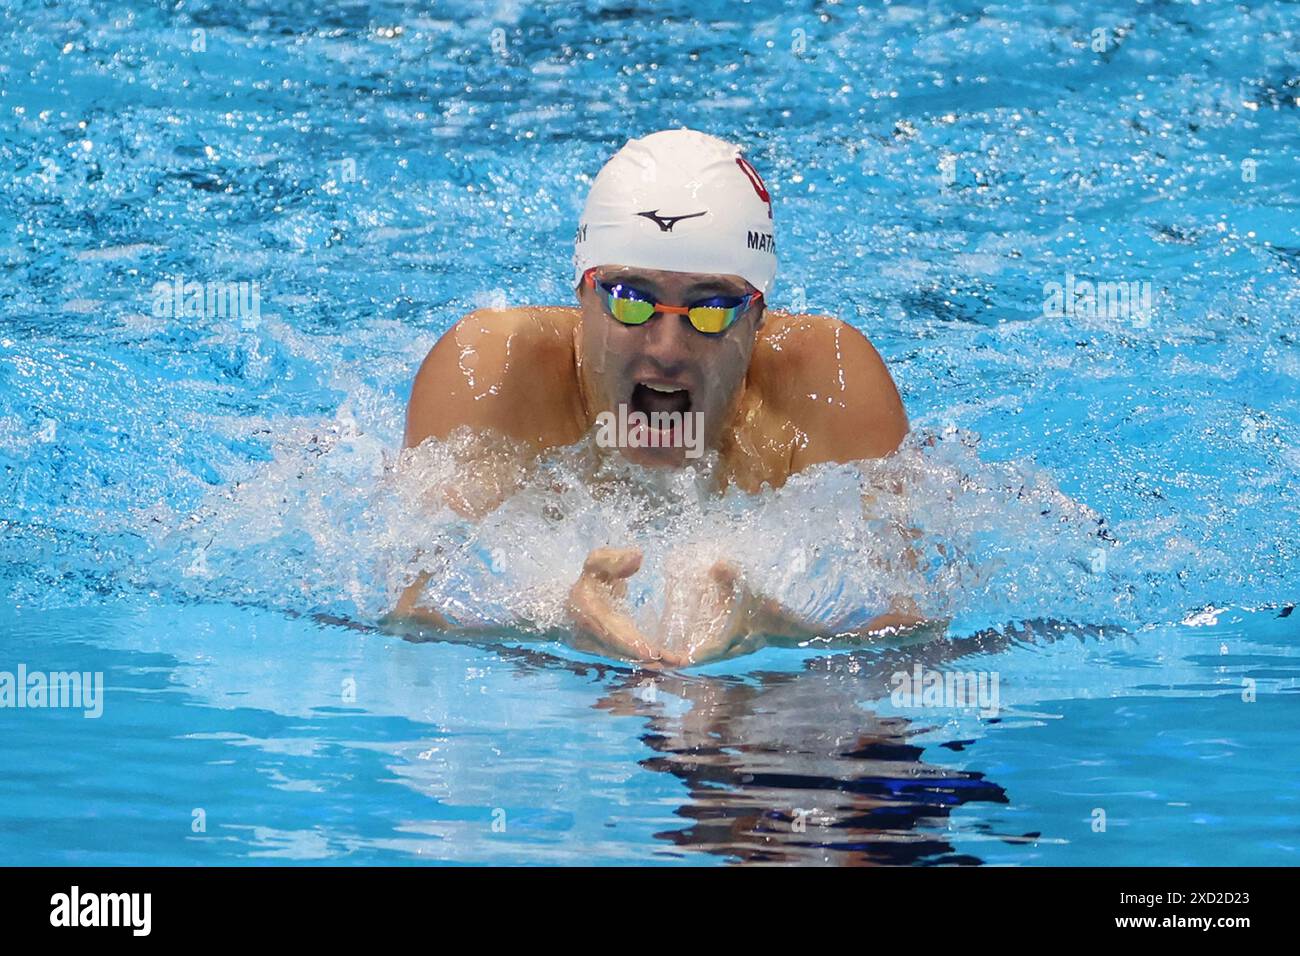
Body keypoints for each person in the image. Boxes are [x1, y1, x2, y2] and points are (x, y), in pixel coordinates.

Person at [385, 128, 921, 666]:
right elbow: (408, 618)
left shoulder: (825, 384)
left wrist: (776, 630)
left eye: (711, 307)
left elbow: (919, 634)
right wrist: (552, 622)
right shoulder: (494, 373)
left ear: (757, 317)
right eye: (631, 300)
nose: (667, 350)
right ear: (582, 292)